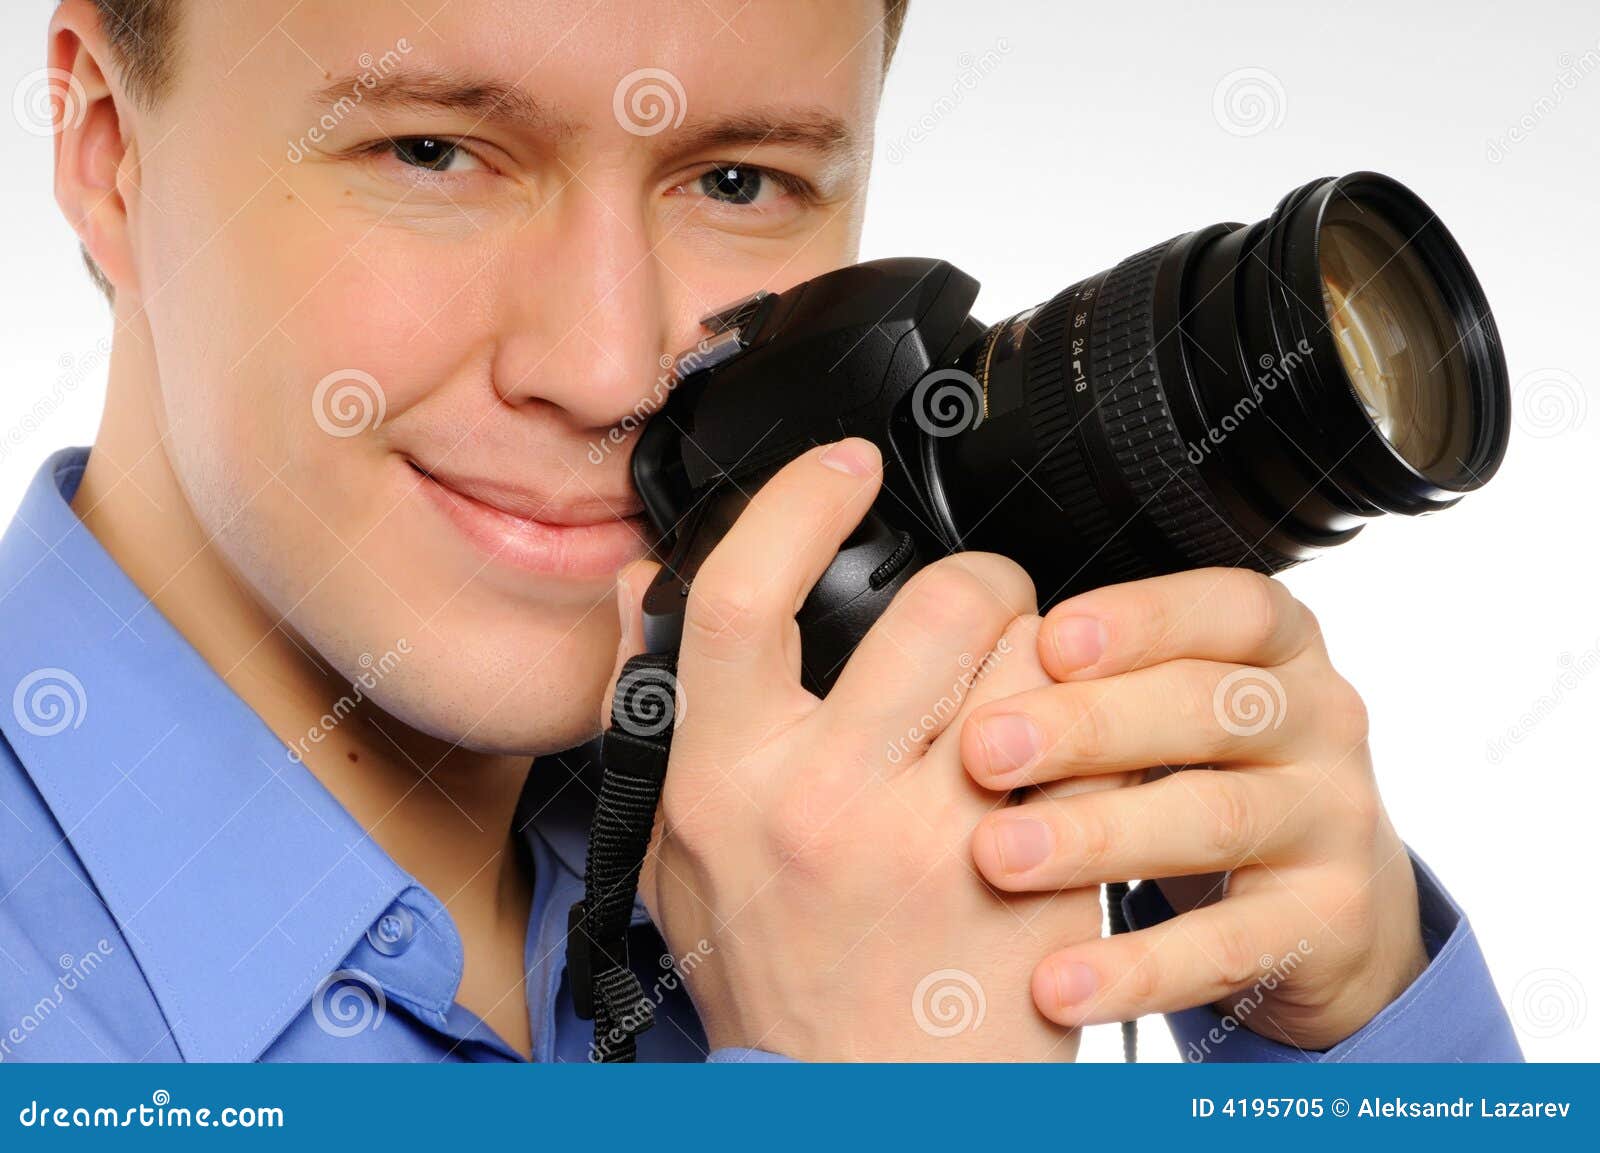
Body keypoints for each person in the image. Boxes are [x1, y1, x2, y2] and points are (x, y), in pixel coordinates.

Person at [0, 0, 1518, 1063]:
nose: (603, 365)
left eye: (739, 180)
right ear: (102, 143)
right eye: (434, 153)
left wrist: (1367, 1049)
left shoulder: (858, 836)